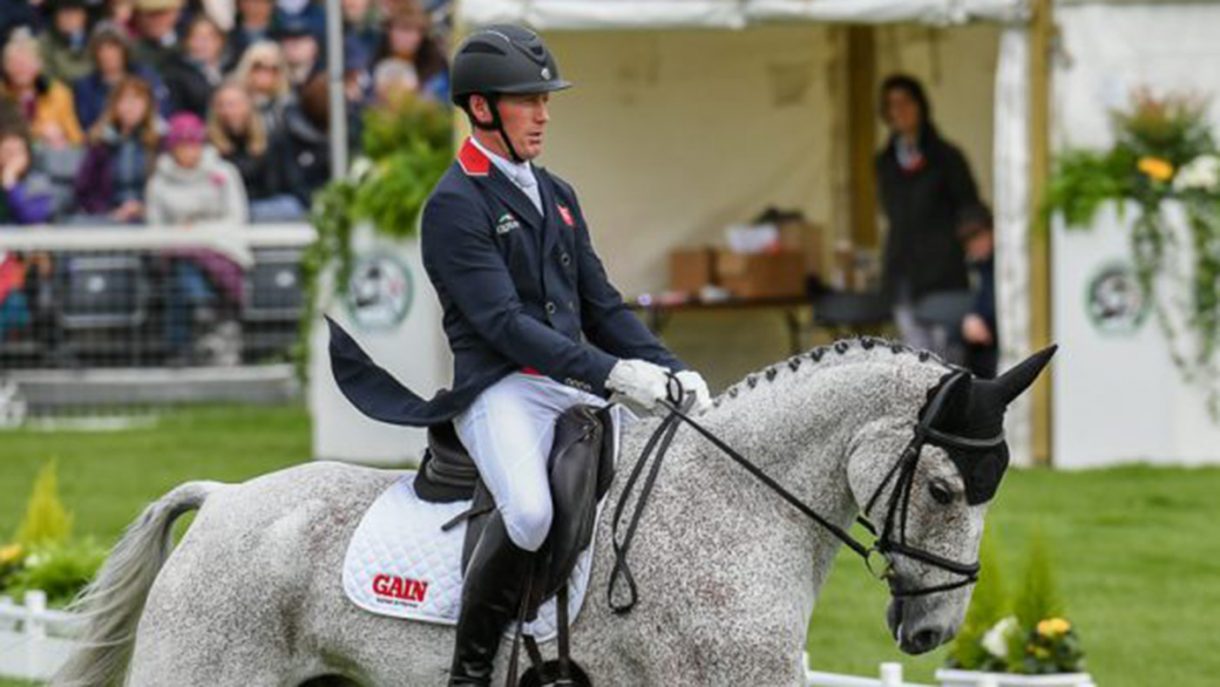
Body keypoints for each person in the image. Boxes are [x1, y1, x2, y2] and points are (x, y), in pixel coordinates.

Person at [330, 25, 714, 686]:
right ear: (482, 108)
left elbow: (603, 306)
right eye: (526, 100)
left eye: (545, 100)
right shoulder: (454, 204)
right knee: (531, 512)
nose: (543, 114)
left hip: (570, 384)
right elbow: (504, 324)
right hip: (500, 388)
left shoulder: (558, 195)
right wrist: (614, 373)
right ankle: (472, 669)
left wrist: (672, 367)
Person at [875, 74, 980, 355]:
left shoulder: (947, 156)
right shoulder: (885, 162)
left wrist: (970, 240)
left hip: (943, 273)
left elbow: (970, 207)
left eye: (905, 102)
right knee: (914, 359)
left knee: (947, 358)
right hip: (903, 274)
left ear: (920, 105)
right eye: (891, 105)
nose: (899, 111)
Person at [145, 112, 247, 365]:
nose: (191, 151)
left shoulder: (224, 173)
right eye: (183, 145)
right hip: (177, 252)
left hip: (222, 249)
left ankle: (183, 341)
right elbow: (154, 227)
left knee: (185, 272)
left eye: (195, 144)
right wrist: (183, 236)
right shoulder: (158, 182)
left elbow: (237, 216)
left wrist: (200, 231)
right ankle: (203, 314)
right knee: (182, 267)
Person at [207, 80, 303, 220]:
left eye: (234, 104)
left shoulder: (272, 141)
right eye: (222, 105)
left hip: (263, 206)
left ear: (248, 106)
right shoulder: (208, 146)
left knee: (290, 207)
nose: (228, 111)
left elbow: (282, 184)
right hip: (224, 210)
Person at [72, 75, 160, 222]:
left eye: (137, 100)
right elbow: (84, 190)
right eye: (125, 100)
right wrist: (111, 212)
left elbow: (165, 187)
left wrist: (143, 208)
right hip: (108, 215)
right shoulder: (99, 142)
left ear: (148, 106)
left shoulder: (158, 143)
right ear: (115, 105)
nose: (131, 107)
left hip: (150, 214)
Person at [73, 21, 169, 130]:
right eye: (101, 48)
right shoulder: (85, 86)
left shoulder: (143, 75)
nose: (107, 54)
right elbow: (86, 124)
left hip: (145, 133)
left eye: (113, 47)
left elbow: (162, 107)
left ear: (124, 49)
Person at [1, 29, 85, 147]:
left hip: (50, 156)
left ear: (38, 65)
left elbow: (76, 139)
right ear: (6, 67)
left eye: (26, 63)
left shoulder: (59, 94)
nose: (20, 69)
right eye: (15, 63)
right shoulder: (2, 95)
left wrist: (61, 138)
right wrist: (39, 131)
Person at [373, 1, 447, 102]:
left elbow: (442, 100)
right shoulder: (375, 56)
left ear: (420, 35)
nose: (405, 37)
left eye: (412, 30)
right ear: (390, 30)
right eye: (401, 29)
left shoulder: (435, 64)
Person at [957, 204, 998, 379]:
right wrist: (971, 318)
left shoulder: (1000, 264)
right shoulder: (980, 266)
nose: (975, 245)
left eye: (978, 237)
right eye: (969, 241)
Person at [161, 14, 228, 117]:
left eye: (209, 37)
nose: (203, 43)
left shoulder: (231, 68)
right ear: (186, 42)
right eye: (196, 37)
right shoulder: (176, 74)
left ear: (220, 41)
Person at [231, 40, 291, 139]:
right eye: (258, 66)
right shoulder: (233, 99)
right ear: (247, 68)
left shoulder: (287, 104)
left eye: (273, 68)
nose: (265, 73)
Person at [37, 0, 94, 84]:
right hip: (58, 92)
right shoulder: (45, 41)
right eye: (63, 12)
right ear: (56, 16)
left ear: (84, 15)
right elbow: (45, 75)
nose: (68, 17)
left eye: (74, 11)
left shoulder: (95, 40)